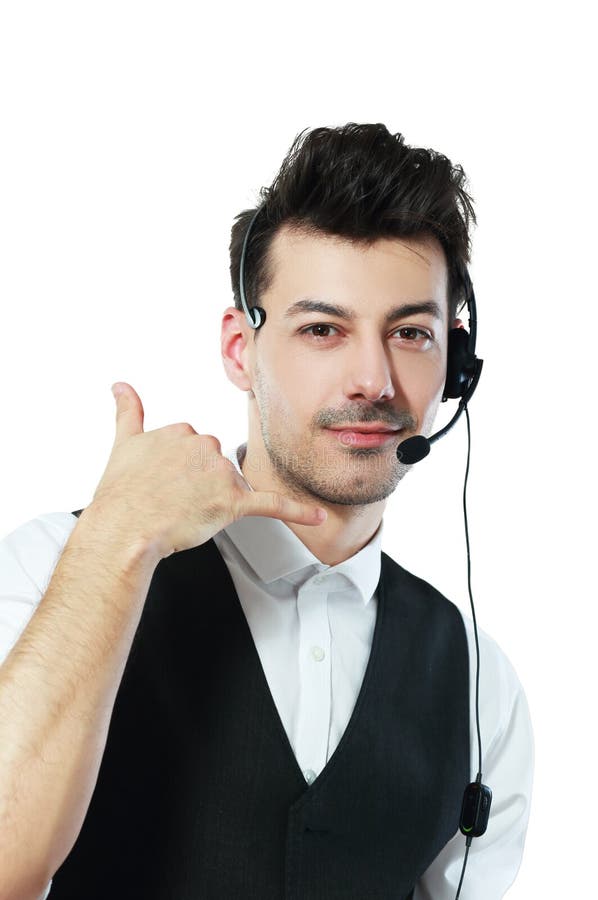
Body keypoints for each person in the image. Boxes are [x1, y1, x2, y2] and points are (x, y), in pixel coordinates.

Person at [0, 123, 534, 899]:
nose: (373, 379)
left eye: (411, 333)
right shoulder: (59, 564)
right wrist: (115, 541)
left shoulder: (481, 684)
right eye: (323, 329)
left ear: (457, 366)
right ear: (240, 350)